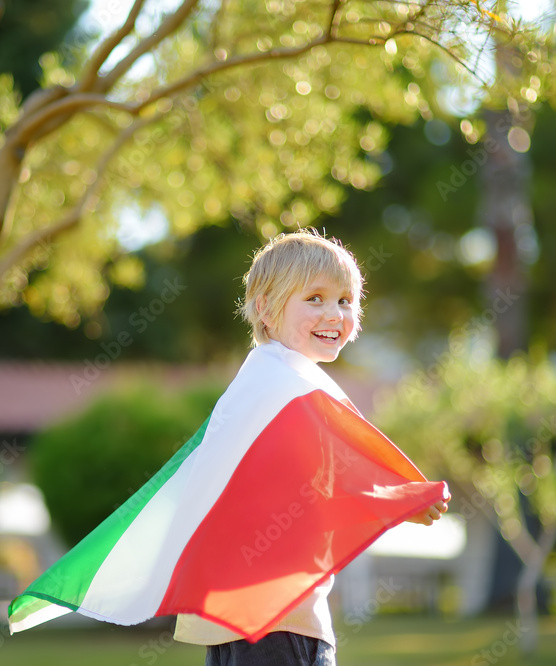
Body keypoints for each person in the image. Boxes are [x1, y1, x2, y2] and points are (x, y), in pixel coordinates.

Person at [172, 228, 450, 666]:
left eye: (345, 300)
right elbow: (303, 508)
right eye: (314, 299)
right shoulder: (288, 392)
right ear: (265, 307)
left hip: (238, 624)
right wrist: (399, 503)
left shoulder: (257, 384)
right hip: (278, 626)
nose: (334, 314)